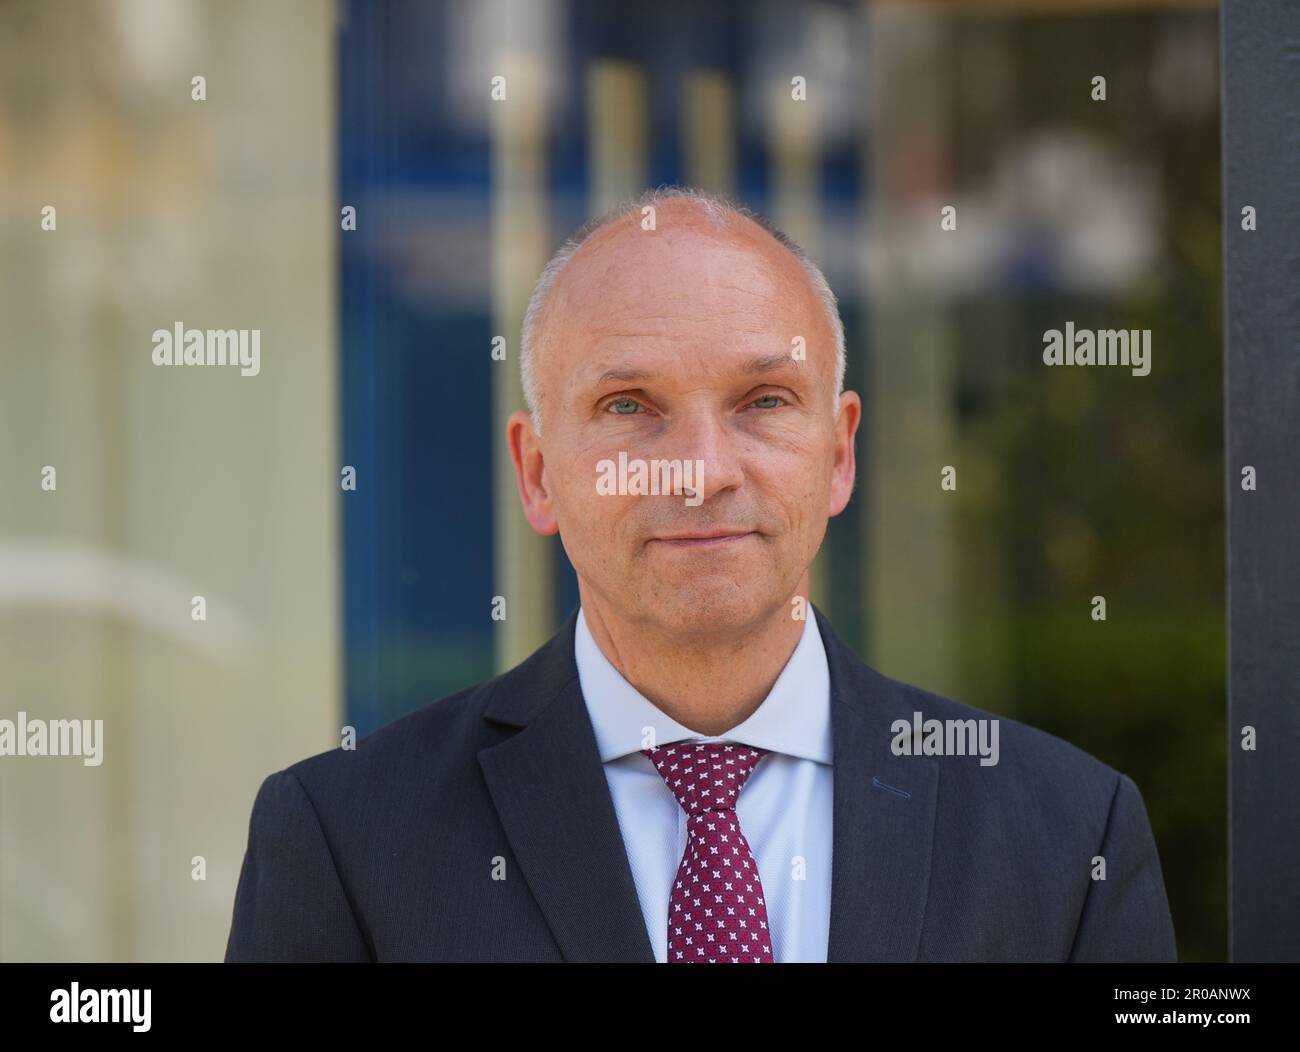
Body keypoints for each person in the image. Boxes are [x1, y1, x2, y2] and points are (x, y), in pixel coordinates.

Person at [225, 186, 1177, 963]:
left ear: (839, 454)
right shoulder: (345, 841)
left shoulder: (1064, 834)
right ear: (537, 472)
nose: (702, 470)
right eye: (630, 405)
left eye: (764, 400)